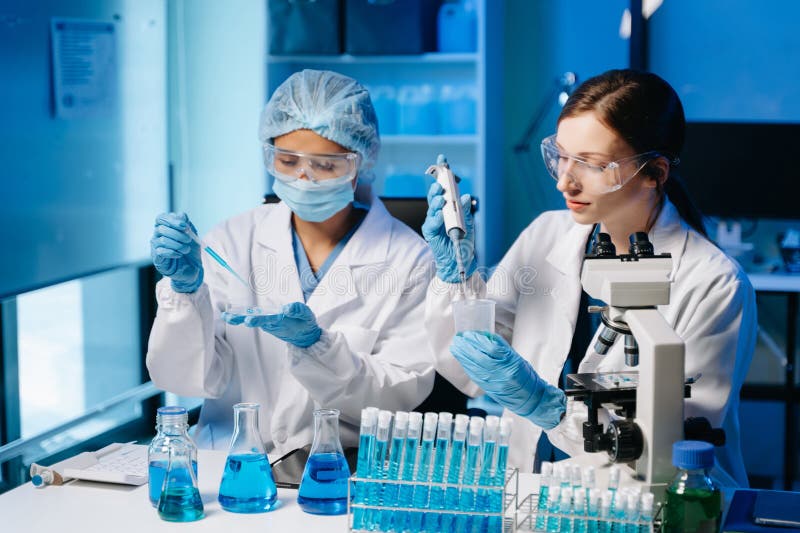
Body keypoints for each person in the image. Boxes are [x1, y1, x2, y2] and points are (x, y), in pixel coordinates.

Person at [423, 69, 756, 487]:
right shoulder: (545, 234)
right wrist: (456, 276)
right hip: (529, 493)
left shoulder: (714, 284)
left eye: (593, 165)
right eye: (561, 156)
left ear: (654, 172)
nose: (565, 181)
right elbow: (469, 370)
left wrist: (549, 409)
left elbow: (677, 453)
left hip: (647, 502)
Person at [147, 69, 435, 455]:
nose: (304, 178)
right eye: (287, 161)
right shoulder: (232, 240)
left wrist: (317, 347)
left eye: (325, 166)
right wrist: (185, 296)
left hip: (336, 469)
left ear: (360, 164)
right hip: (230, 464)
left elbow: (397, 396)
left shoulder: (409, 260)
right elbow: (182, 378)